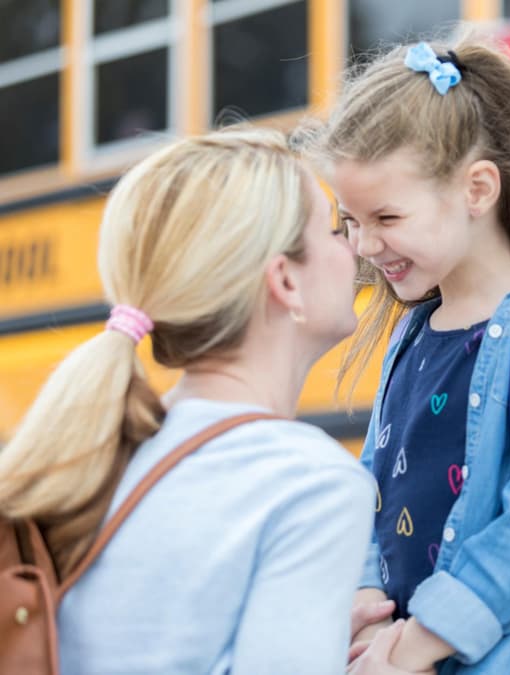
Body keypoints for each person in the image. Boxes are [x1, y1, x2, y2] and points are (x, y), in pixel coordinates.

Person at [0, 127, 392, 674]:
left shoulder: (94, 455)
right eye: (331, 229)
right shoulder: (310, 484)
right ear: (284, 280)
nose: (353, 246)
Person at [303, 34, 510, 675]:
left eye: (387, 217)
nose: (365, 245)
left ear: (478, 189)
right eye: (351, 221)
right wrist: (368, 595)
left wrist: (423, 639)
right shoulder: (413, 332)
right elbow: (374, 483)